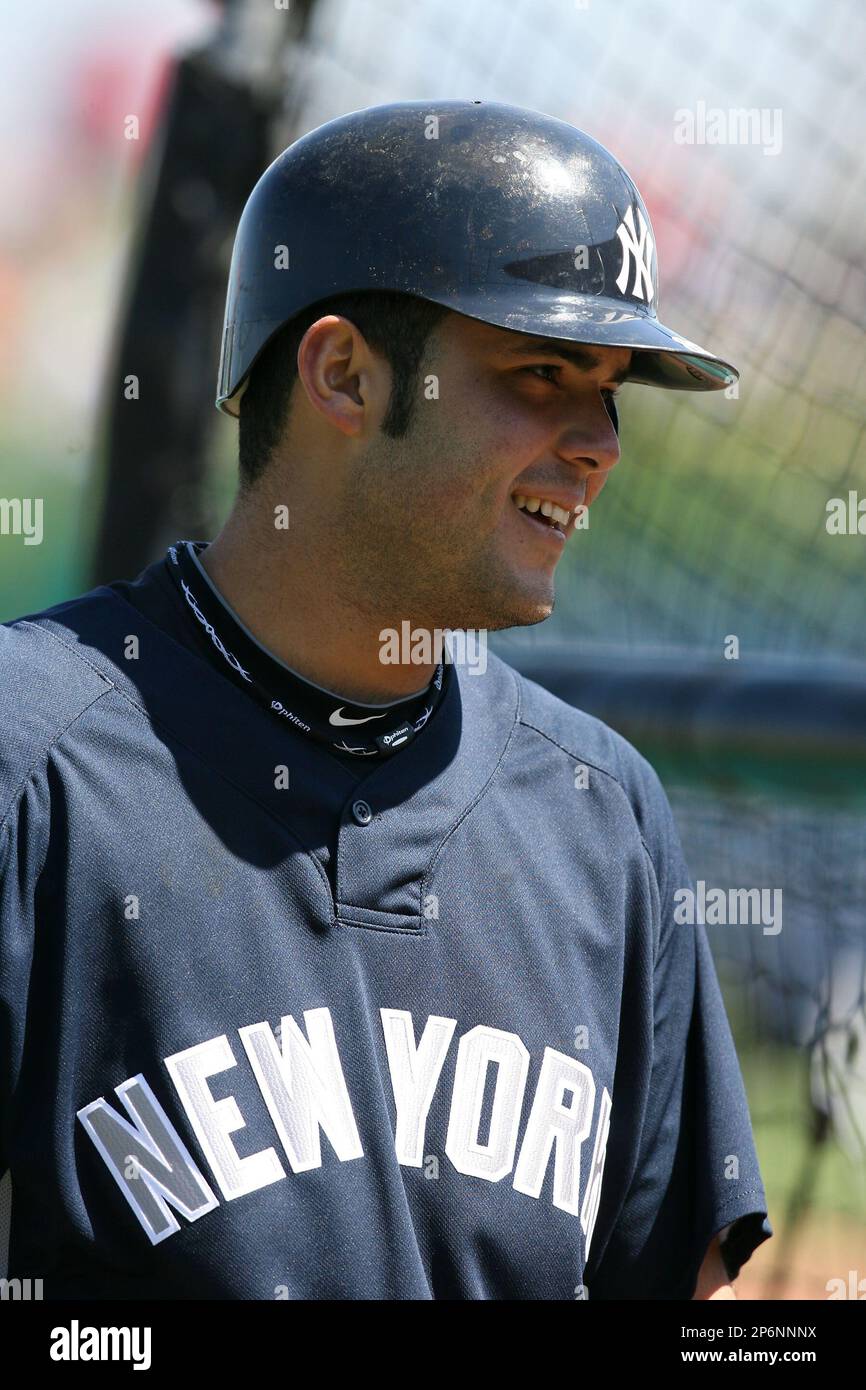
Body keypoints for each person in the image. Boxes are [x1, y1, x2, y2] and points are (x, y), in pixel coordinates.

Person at [0, 100, 771, 1300]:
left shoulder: (602, 813)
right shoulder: (33, 760)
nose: (599, 440)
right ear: (343, 375)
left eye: (612, 386)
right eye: (541, 372)